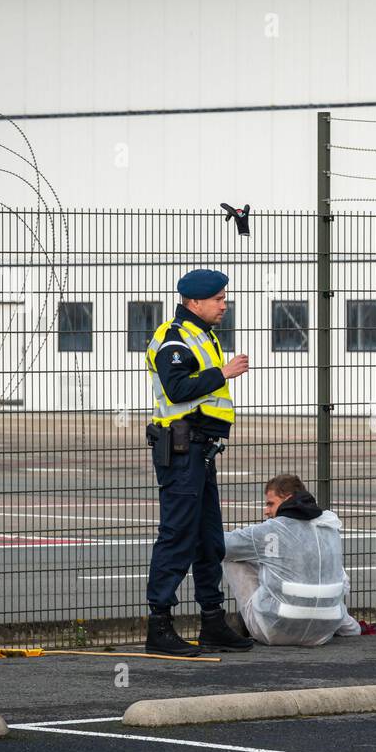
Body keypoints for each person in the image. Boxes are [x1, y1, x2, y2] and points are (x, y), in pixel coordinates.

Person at [143, 268, 255, 656]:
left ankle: (212, 621)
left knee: (210, 541)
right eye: (218, 300)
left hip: (201, 450)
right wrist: (222, 372)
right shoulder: (174, 338)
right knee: (177, 535)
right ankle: (159, 626)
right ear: (194, 302)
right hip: (181, 448)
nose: (224, 305)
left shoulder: (203, 335)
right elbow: (175, 390)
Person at [221, 474, 363, 647]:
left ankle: (215, 619)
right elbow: (340, 583)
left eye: (270, 503)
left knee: (233, 556)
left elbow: (221, 545)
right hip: (323, 633)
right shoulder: (329, 526)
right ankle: (349, 626)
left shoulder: (271, 530)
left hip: (273, 631)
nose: (266, 510)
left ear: (288, 499)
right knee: (324, 571)